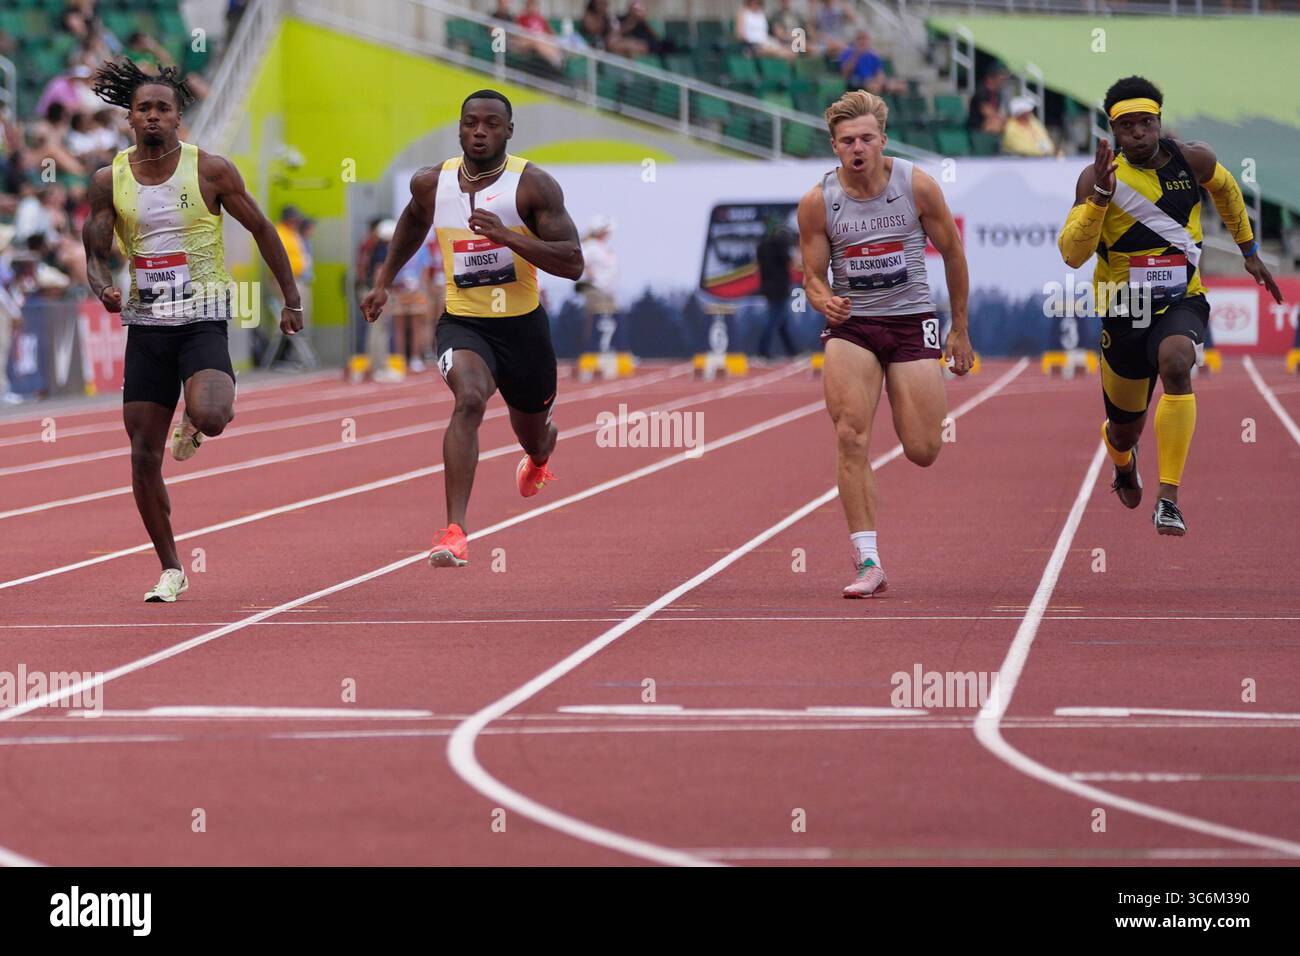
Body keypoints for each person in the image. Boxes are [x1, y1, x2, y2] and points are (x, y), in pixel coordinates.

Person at [81, 58, 302, 602]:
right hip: (147, 327)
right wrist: (103, 286)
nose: (153, 117)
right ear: (129, 119)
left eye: (163, 109)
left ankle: (195, 425)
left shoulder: (211, 170)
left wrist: (290, 298)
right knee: (141, 454)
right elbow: (94, 254)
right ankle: (171, 567)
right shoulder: (109, 180)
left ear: (179, 117)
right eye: (143, 109)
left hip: (202, 317)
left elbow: (262, 228)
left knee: (212, 412)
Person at [362, 90, 584, 568]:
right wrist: (383, 283)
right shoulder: (430, 183)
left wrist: (507, 236)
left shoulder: (534, 186)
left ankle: (540, 457)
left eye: (490, 124)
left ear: (508, 131)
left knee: (534, 435)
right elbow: (412, 223)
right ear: (459, 128)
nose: (479, 131)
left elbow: (572, 262)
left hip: (523, 328)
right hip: (464, 323)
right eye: (469, 123)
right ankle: (454, 530)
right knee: (469, 399)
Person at [1058, 75, 1284, 536]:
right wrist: (1101, 195)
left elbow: (1226, 192)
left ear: (1159, 121)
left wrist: (1249, 250)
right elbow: (1072, 253)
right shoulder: (1096, 178)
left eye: (1146, 123)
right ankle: (1123, 462)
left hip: (1182, 298)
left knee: (1177, 363)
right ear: (1113, 131)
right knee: (1124, 430)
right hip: (1122, 311)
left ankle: (1169, 498)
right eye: (1127, 127)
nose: (1138, 133)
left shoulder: (1193, 159)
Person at [796, 91, 973, 598]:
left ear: (883, 140)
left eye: (867, 138)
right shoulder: (818, 201)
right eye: (848, 140)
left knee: (923, 449)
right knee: (851, 435)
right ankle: (868, 559)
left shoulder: (916, 186)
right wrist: (823, 298)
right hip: (853, 327)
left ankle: (907, 397)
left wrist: (958, 327)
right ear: (835, 146)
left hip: (912, 320)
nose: (858, 148)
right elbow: (811, 275)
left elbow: (954, 255)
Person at [755, 217, 798, 359]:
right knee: (775, 319)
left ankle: (791, 350)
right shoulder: (780, 244)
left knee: (781, 321)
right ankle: (763, 350)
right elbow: (788, 261)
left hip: (767, 286)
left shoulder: (761, 246)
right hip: (779, 286)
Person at [838, 31, 905, 95]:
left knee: (901, 86)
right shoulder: (848, 52)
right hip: (855, 82)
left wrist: (879, 81)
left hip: (872, 81)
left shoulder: (872, 55)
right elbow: (845, 72)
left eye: (864, 39)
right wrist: (857, 54)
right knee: (874, 87)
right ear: (855, 41)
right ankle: (872, 106)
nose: (862, 41)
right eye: (859, 39)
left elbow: (880, 73)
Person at [967, 63, 1008, 134]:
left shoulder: (998, 94)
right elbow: (988, 112)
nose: (1002, 82)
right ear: (990, 79)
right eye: (1000, 79)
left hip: (990, 122)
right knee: (998, 125)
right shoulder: (981, 91)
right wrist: (1003, 120)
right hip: (976, 127)